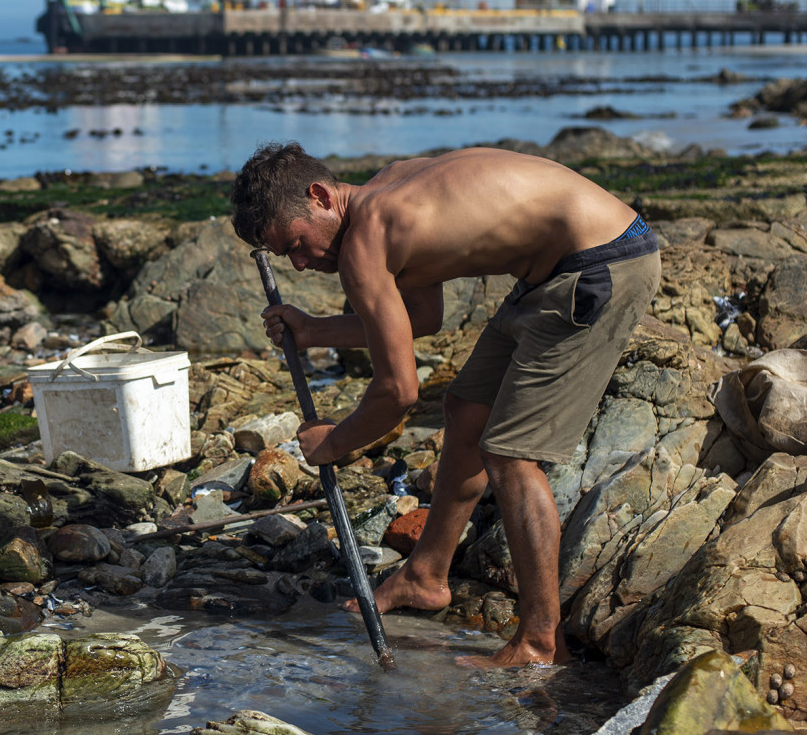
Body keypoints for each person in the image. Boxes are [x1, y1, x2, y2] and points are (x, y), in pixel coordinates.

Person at [230, 142, 660, 666]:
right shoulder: (388, 184)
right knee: (467, 410)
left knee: (510, 456)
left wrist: (335, 441)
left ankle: (540, 643)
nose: (298, 263)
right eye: (284, 257)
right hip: (554, 274)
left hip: (600, 265)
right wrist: (314, 330)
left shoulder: (365, 243)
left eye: (296, 243)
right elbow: (424, 319)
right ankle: (425, 574)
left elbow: (399, 392)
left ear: (320, 196)